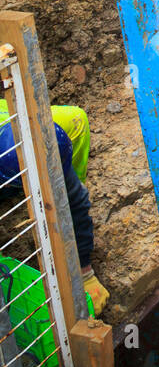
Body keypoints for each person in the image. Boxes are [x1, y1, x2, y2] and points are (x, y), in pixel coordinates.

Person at [0, 102, 108, 315]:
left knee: (76, 119)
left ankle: (66, 181)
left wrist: (85, 272)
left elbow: (76, 204)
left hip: (11, 125)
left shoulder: (47, 144)